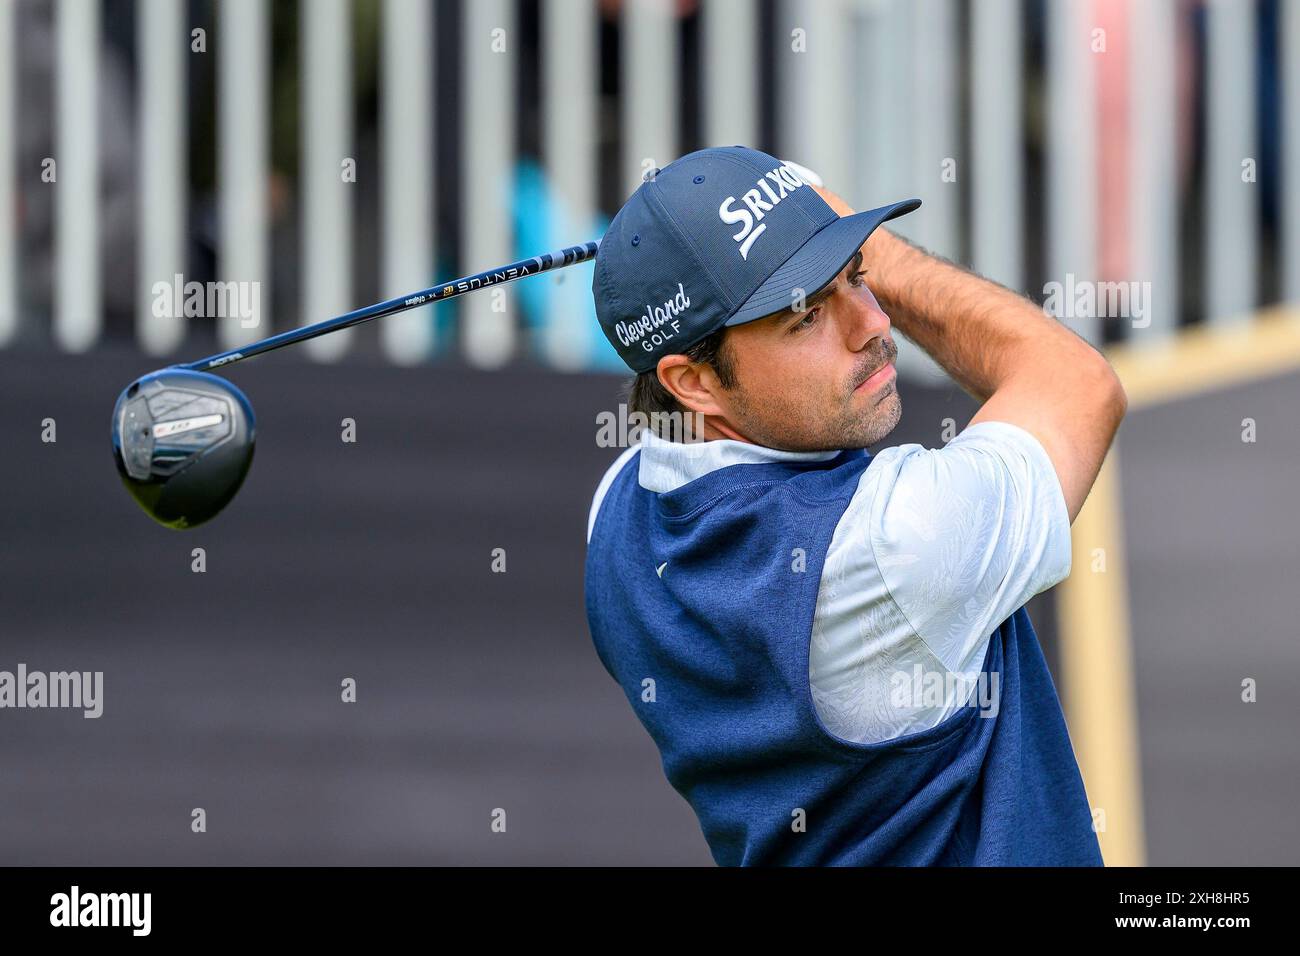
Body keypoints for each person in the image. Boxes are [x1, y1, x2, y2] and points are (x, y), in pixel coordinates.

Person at [583, 145, 1126, 865]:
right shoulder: (888, 545)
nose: (872, 325)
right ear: (695, 383)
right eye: (805, 315)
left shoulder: (615, 511)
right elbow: (1079, 383)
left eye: (857, 278)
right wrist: (869, 245)